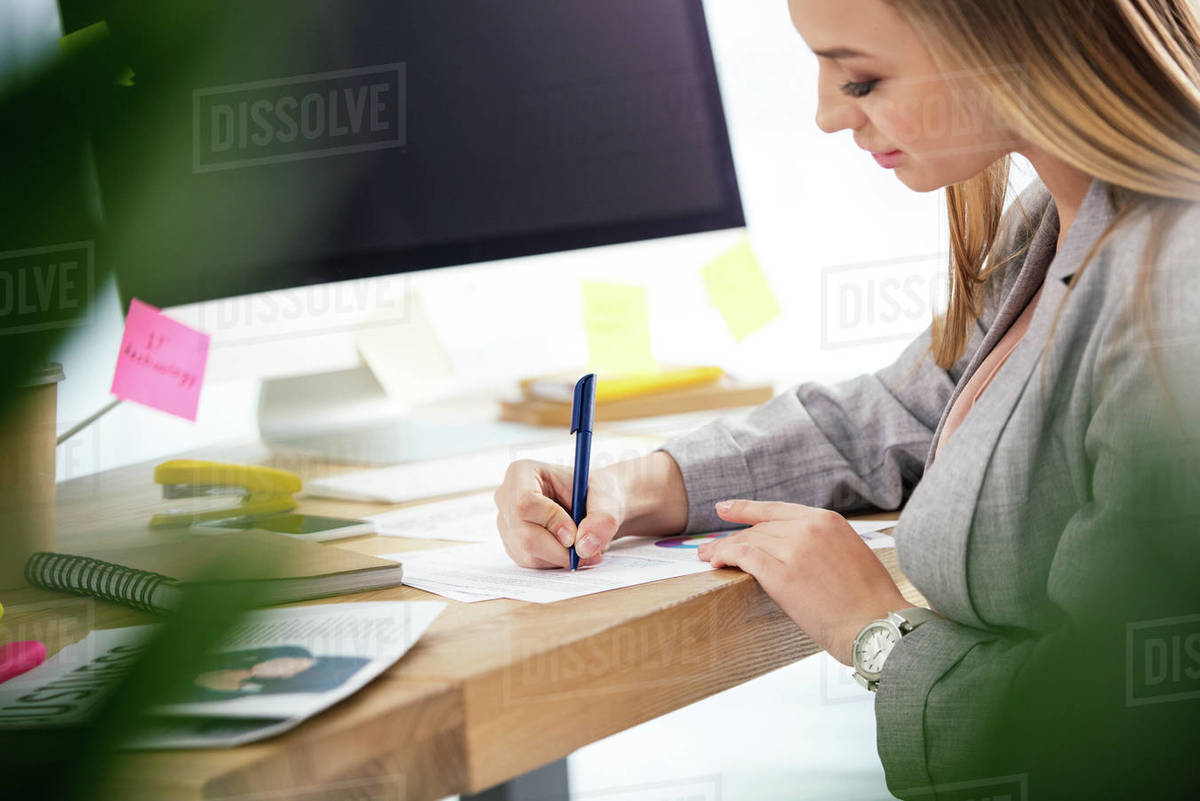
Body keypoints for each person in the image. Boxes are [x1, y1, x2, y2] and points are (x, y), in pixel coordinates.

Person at [493, 1, 1200, 798]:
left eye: (860, 79)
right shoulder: (1056, 219)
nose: (828, 115)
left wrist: (876, 631)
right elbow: (896, 413)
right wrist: (630, 486)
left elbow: (1124, 736)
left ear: (1014, 41)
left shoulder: (1172, 297)